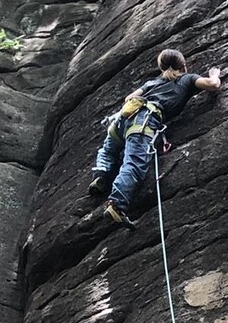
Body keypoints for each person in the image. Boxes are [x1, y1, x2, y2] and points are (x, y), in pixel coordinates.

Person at [90, 48, 221, 227]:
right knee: (134, 163)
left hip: (122, 120)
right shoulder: (187, 78)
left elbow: (129, 98)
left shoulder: (152, 83)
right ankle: (116, 205)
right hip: (143, 122)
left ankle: (102, 176)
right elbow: (213, 85)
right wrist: (215, 74)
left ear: (161, 67)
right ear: (184, 65)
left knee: (108, 151)